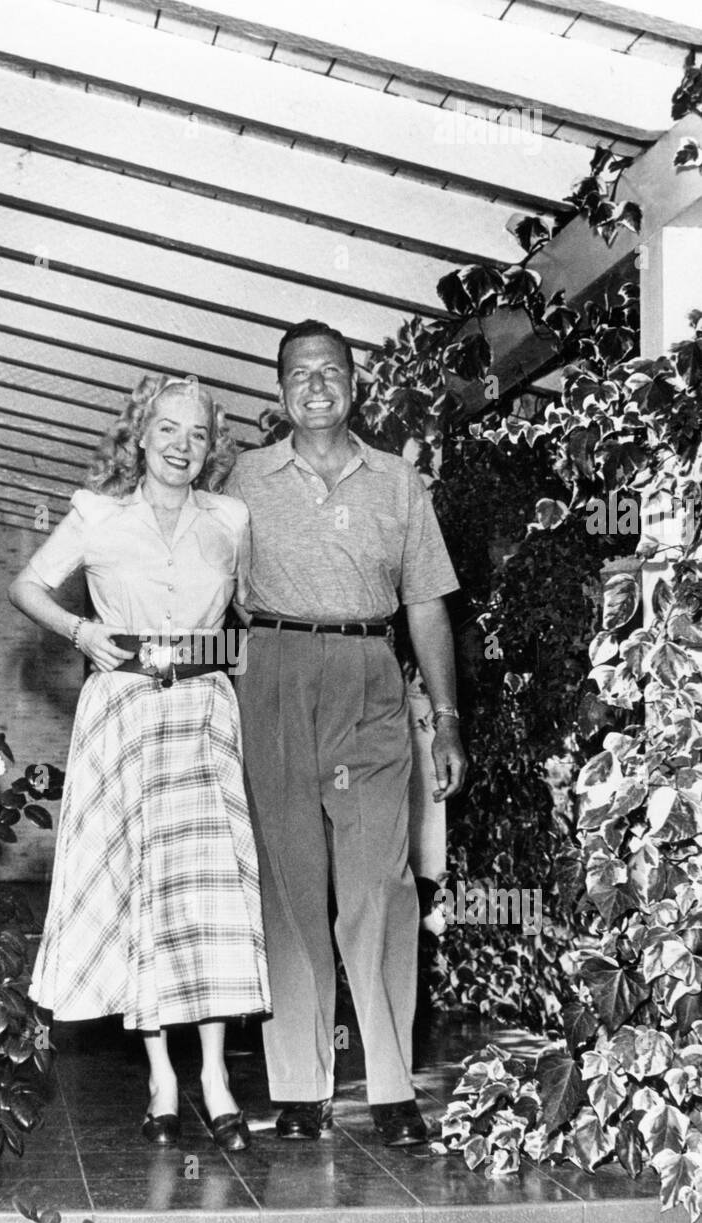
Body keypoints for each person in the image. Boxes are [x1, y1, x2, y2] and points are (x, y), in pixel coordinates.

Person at [8, 374, 270, 1152]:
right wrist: (81, 634)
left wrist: (208, 660)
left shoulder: (231, 517)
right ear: (139, 435)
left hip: (201, 714)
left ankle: (216, 1080)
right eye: (168, 431)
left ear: (210, 446)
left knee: (211, 892)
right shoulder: (98, 515)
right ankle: (162, 1079)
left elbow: (246, 622)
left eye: (197, 434)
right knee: (143, 890)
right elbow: (24, 586)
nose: (182, 447)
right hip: (121, 711)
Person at [225, 320, 468, 1147]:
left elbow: (427, 604)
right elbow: (200, 583)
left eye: (332, 371)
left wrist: (449, 722)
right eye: (300, 373)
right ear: (281, 390)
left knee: (380, 886)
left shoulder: (399, 482)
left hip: (372, 676)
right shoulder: (245, 479)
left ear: (355, 386)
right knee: (289, 890)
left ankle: (394, 1089)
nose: (317, 385)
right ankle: (299, 1089)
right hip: (274, 673)